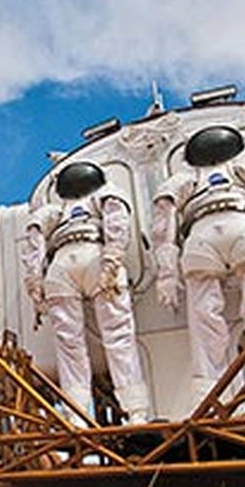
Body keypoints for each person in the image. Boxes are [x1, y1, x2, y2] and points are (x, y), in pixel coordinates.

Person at [151, 125, 245, 410]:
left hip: (200, 238)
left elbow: (163, 226)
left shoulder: (182, 180)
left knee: (204, 320)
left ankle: (212, 399)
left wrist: (167, 274)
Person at [21, 161, 151, 425]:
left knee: (70, 347)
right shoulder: (106, 196)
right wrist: (112, 261)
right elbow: (117, 225)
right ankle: (136, 411)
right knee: (118, 337)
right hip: (95, 255)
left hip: (61, 266)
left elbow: (33, 243)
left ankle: (77, 417)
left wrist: (35, 286)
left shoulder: (52, 212)